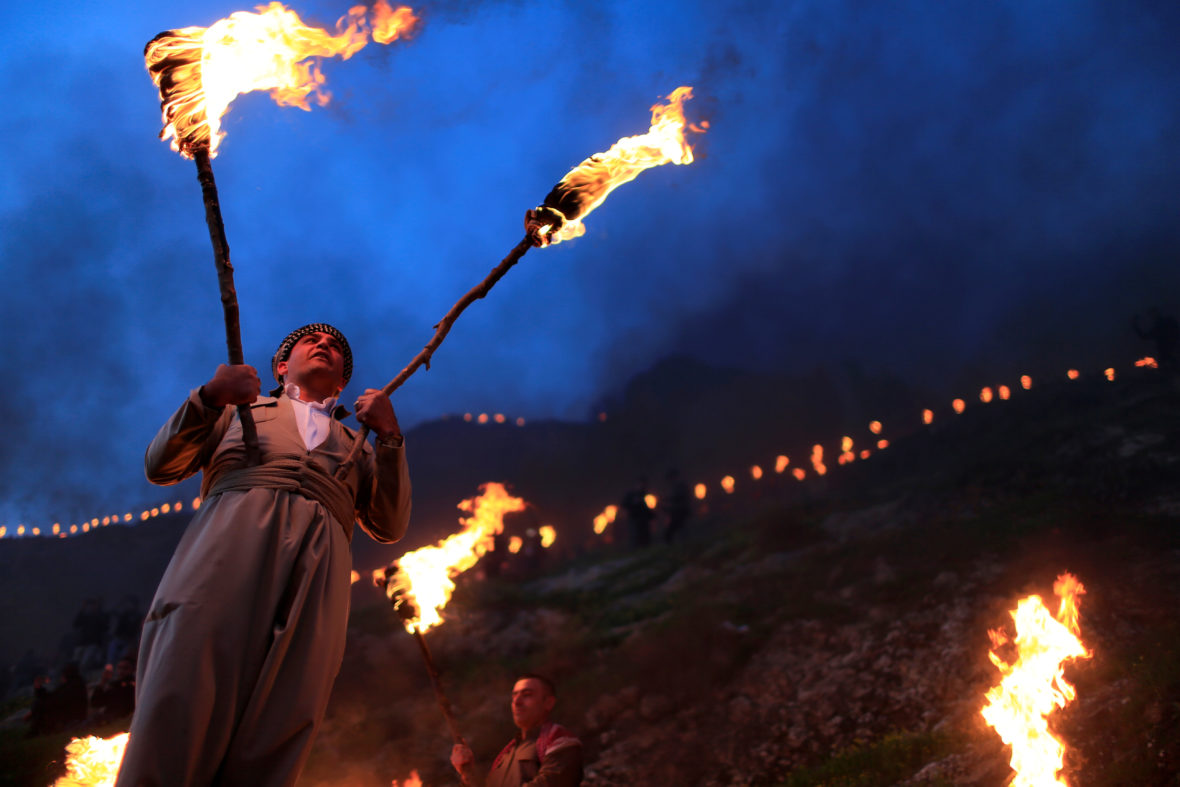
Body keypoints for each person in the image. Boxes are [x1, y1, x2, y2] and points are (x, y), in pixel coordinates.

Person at [115, 323, 412, 787]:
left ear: (341, 385)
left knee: (287, 706)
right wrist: (211, 395)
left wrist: (389, 436)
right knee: (187, 679)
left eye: (336, 348)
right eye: (312, 342)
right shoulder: (240, 411)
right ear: (280, 366)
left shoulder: (356, 445)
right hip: (229, 547)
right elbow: (160, 465)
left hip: (320, 571)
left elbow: (389, 525)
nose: (326, 346)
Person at [450, 674, 582, 787]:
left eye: (527, 695)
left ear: (548, 702)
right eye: (514, 696)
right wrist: (467, 773)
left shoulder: (562, 742)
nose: (517, 702)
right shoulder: (506, 754)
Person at [90, 657, 136, 723]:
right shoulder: (115, 685)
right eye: (119, 668)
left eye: (125, 668)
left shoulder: (133, 686)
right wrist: (103, 682)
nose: (121, 671)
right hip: (107, 718)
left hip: (118, 720)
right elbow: (96, 703)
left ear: (133, 670)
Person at [620, 476, 655, 548]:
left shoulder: (644, 494)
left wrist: (651, 515)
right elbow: (623, 504)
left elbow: (647, 508)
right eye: (640, 484)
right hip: (634, 518)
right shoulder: (631, 494)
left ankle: (645, 550)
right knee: (635, 535)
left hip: (644, 519)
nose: (642, 486)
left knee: (645, 536)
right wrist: (633, 503)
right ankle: (634, 550)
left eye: (644, 484)